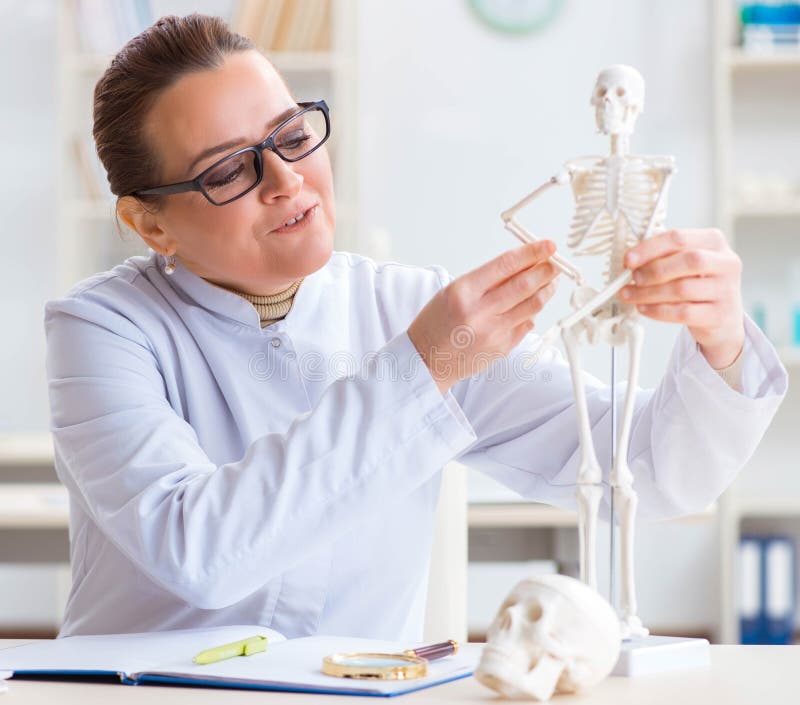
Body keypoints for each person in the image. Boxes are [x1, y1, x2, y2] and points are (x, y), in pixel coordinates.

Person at [45, 14, 785, 640]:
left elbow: (653, 471)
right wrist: (422, 368)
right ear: (150, 224)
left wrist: (717, 333)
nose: (286, 181)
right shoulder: (102, 328)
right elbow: (199, 550)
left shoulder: (409, 308)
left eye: (291, 134)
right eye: (228, 171)